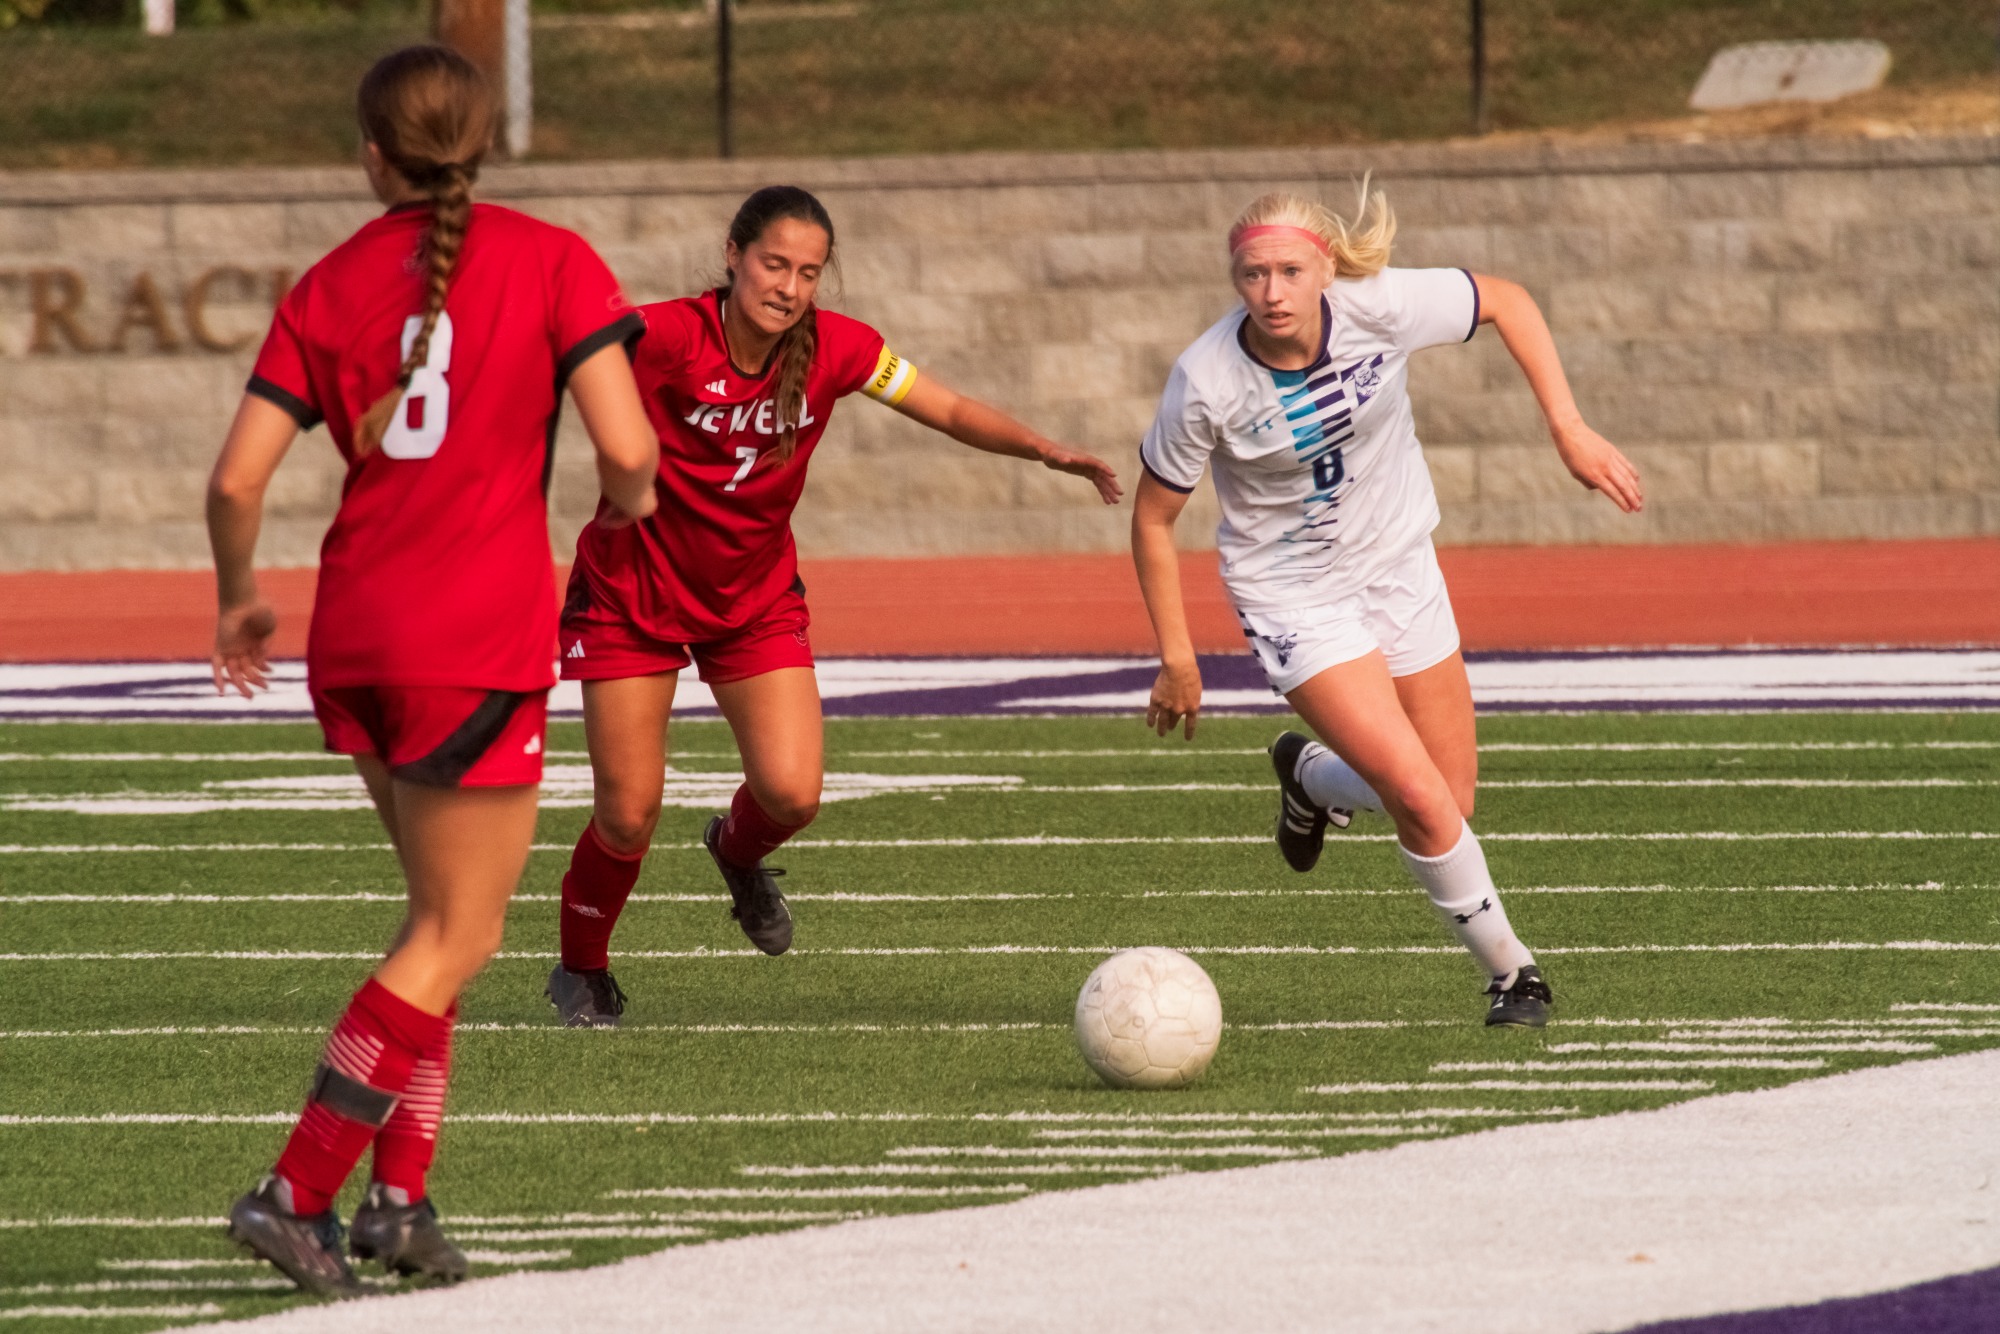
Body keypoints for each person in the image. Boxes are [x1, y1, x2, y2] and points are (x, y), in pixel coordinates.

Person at [206, 46, 659, 1293]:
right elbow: (630, 450)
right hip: (472, 637)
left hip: (358, 633)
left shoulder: (329, 280)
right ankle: (296, 1192)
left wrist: (242, 599)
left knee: (436, 922)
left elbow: (237, 479)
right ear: (488, 139)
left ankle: (398, 1201)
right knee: (458, 932)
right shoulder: (553, 259)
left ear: (370, 152)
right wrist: (620, 513)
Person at [544, 185, 1122, 1027]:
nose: (788, 286)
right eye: (774, 263)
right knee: (627, 815)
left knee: (791, 795)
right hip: (632, 598)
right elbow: (577, 351)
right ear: (734, 255)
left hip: (753, 599)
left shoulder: (838, 351)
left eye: (808, 272)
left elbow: (949, 406)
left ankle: (735, 854)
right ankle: (581, 970)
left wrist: (1043, 449)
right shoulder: (669, 335)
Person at [1130, 187, 1644, 1028]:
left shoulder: (1379, 307)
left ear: (1326, 269)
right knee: (1418, 794)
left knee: (1450, 793)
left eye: (1291, 270)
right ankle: (1514, 974)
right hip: (1293, 596)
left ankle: (1308, 777)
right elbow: (1154, 518)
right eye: (1253, 274)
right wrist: (1178, 656)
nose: (1273, 291)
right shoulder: (1207, 380)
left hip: (1400, 567)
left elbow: (1506, 301)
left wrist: (1569, 428)